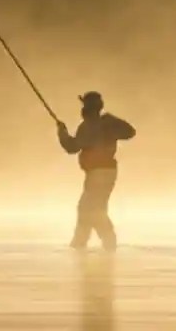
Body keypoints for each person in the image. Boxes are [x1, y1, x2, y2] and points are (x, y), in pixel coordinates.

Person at [57, 91, 136, 251]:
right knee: (90, 208)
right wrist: (111, 122)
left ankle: (105, 243)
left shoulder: (88, 126)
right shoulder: (106, 123)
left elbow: (72, 147)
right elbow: (130, 132)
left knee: (89, 209)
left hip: (98, 173)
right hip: (107, 172)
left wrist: (62, 133)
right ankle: (82, 243)